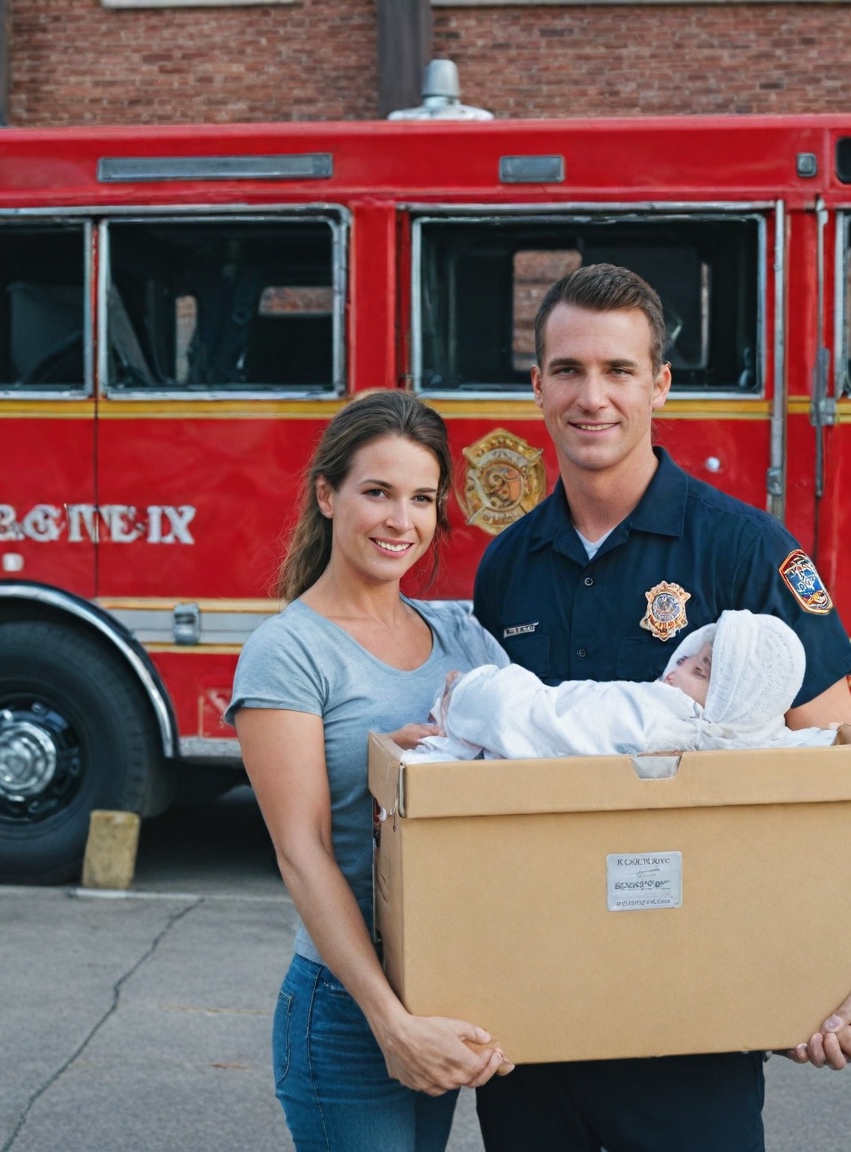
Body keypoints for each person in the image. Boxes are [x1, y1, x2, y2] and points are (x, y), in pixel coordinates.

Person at [471, 264, 851, 1151]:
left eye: (619, 371)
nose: (592, 397)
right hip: (530, 1016)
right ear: (538, 387)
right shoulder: (506, 565)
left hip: (692, 1023)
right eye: (568, 370)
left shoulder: (746, 550)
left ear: (659, 385)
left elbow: (848, 760)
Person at [228, 390, 513, 1152]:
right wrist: (391, 1023)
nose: (401, 521)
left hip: (443, 985)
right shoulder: (289, 652)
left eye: (421, 499)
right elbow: (303, 852)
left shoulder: (465, 635)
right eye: (377, 493)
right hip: (349, 1008)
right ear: (326, 495)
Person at [407, 609, 839, 762]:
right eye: (688, 656)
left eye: (702, 672)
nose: (678, 667)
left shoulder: (667, 716)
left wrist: (464, 691)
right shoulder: (767, 743)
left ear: (733, 704)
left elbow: (542, 715)